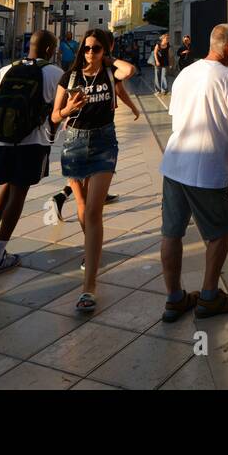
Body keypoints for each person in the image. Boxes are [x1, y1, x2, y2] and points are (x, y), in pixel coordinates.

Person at [159, 23, 228, 322]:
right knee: (220, 231)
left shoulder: (186, 73)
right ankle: (208, 295)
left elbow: (177, 114)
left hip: (174, 162)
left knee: (171, 233)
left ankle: (174, 299)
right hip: (205, 168)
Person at [51, 29, 140, 312]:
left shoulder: (109, 73)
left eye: (96, 48)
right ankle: (91, 248)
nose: (90, 53)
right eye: (87, 48)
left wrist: (108, 60)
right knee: (81, 205)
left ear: (104, 50)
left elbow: (130, 70)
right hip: (75, 143)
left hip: (104, 143)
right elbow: (54, 116)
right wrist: (67, 110)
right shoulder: (70, 77)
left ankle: (89, 286)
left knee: (93, 211)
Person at [0, 30, 63, 276]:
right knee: (18, 193)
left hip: (2, 141)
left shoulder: (6, 70)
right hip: (33, 141)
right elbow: (59, 112)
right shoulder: (55, 73)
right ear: (49, 50)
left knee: (4, 187)